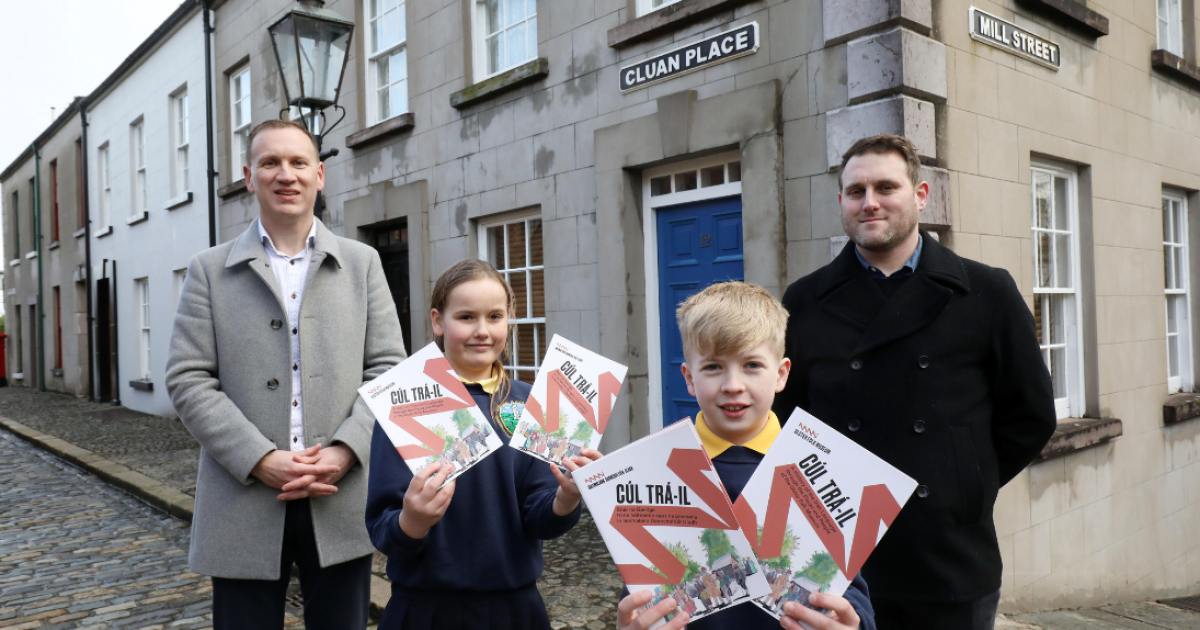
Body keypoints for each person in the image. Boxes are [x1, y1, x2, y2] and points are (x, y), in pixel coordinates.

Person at [774, 133, 1057, 630]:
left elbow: (1030, 416)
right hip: (838, 561)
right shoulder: (804, 300)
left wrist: (963, 483)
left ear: (920, 195)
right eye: (856, 191)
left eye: (886, 187)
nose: (870, 202)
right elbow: (784, 420)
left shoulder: (986, 291)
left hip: (949, 558)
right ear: (841, 200)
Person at [165, 119, 406, 630]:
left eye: (298, 162)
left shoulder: (363, 264)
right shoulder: (208, 270)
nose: (286, 174)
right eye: (271, 163)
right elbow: (188, 378)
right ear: (250, 177)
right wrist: (259, 459)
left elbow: (388, 369)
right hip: (243, 498)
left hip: (340, 496)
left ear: (320, 175)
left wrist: (346, 451)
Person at [618, 282, 875, 630]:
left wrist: (852, 626)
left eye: (752, 365)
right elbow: (641, 593)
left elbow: (850, 593)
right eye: (712, 367)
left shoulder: (822, 470)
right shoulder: (654, 471)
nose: (733, 385)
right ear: (689, 378)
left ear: (781, 374)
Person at [365, 258, 602, 630]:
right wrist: (412, 520)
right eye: (466, 317)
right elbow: (383, 527)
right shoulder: (403, 406)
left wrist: (567, 497)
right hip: (425, 611)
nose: (482, 331)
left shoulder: (534, 404)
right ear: (438, 321)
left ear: (509, 319)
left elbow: (540, 517)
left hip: (514, 611)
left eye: (494, 317)